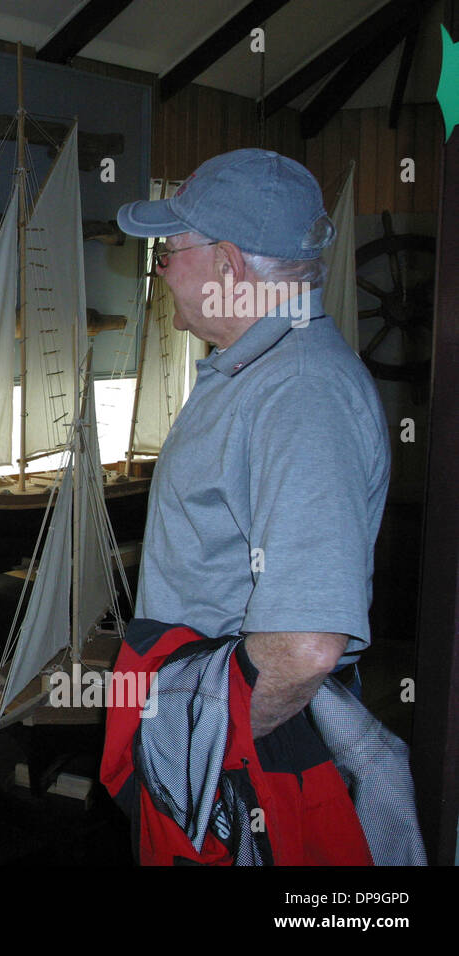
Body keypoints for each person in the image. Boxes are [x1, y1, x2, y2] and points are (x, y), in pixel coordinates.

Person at [116, 148, 390, 738]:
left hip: (252, 750)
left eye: (167, 252)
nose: (160, 270)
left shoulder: (298, 392)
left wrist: (192, 748)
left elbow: (307, 644)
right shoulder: (262, 368)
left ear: (228, 265)